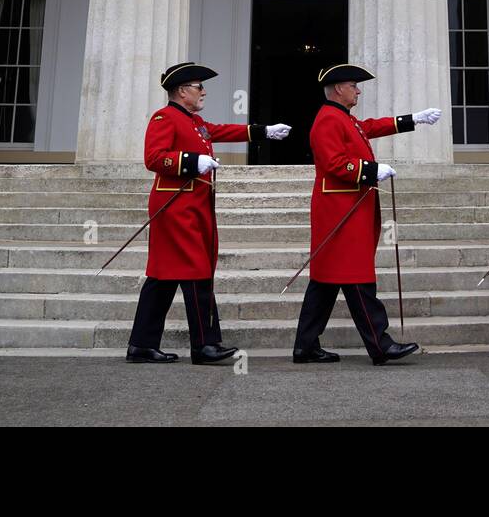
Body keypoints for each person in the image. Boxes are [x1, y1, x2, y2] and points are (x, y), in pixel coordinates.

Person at [126, 62, 290, 364]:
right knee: (197, 271)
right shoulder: (164, 117)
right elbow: (154, 158)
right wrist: (191, 162)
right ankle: (205, 345)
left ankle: (141, 345)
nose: (203, 91)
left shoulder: (193, 121)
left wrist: (264, 131)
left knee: (162, 277)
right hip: (175, 207)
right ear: (181, 91)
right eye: (198, 86)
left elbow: (221, 131)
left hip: (192, 206)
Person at [292, 63, 442, 365]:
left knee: (325, 281)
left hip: (348, 209)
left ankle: (305, 346)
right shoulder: (328, 120)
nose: (358, 90)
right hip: (340, 212)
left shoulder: (343, 118)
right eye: (353, 86)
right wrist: (371, 170)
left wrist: (412, 119)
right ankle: (380, 344)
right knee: (356, 277)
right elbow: (335, 163)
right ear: (338, 89)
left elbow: (372, 127)